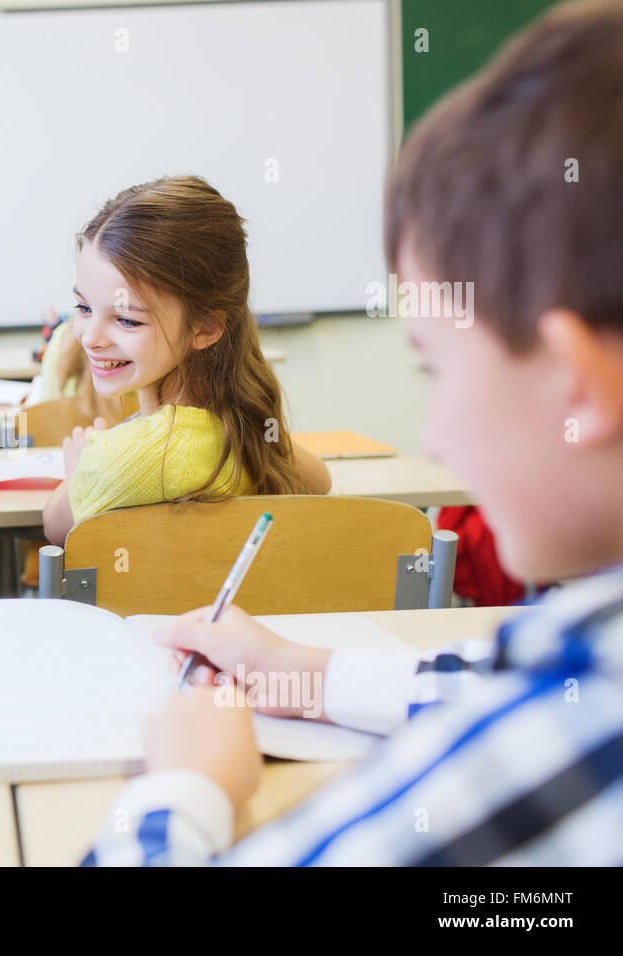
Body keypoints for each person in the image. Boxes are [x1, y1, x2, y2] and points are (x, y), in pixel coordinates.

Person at [84, 0, 623, 866]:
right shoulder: (580, 651)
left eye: (434, 369)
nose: (436, 439)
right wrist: (298, 668)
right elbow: (498, 677)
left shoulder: (577, 740)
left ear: (575, 385)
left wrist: (183, 790)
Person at [43, 176, 330, 545]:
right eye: (83, 307)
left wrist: (78, 469)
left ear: (206, 328)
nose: (90, 337)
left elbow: (54, 528)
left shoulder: (111, 463)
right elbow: (319, 479)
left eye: (127, 319)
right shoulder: (248, 435)